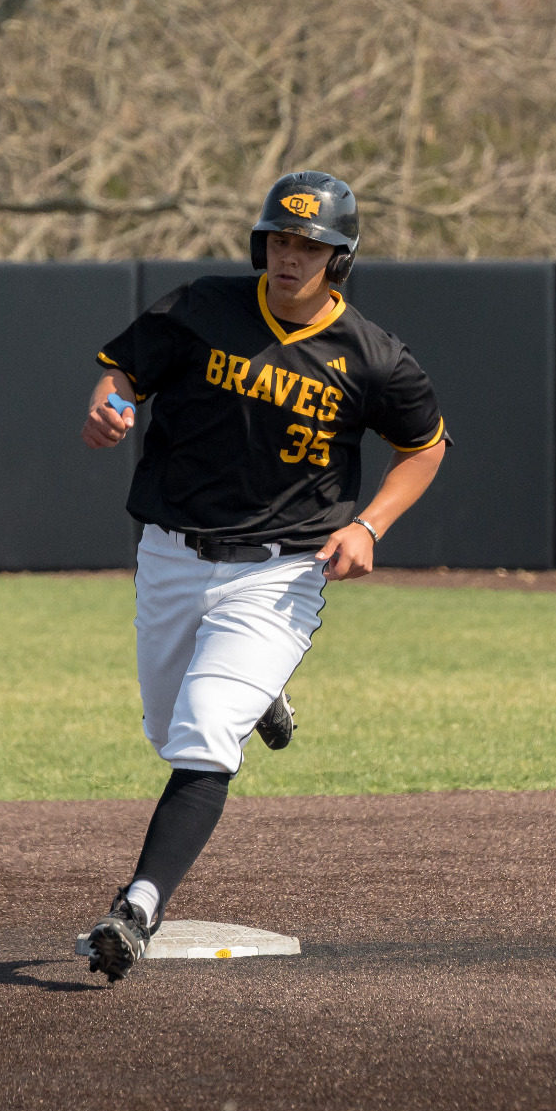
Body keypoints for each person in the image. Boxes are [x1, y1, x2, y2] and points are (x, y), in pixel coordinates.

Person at [77, 171, 450, 981]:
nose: (291, 256)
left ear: (339, 258)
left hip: (278, 575)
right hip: (173, 554)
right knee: (166, 729)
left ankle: (137, 904)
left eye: (310, 245)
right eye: (281, 239)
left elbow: (426, 446)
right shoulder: (199, 308)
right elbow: (122, 377)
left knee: (206, 732)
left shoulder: (372, 356)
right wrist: (109, 406)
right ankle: (262, 692)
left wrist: (369, 522)